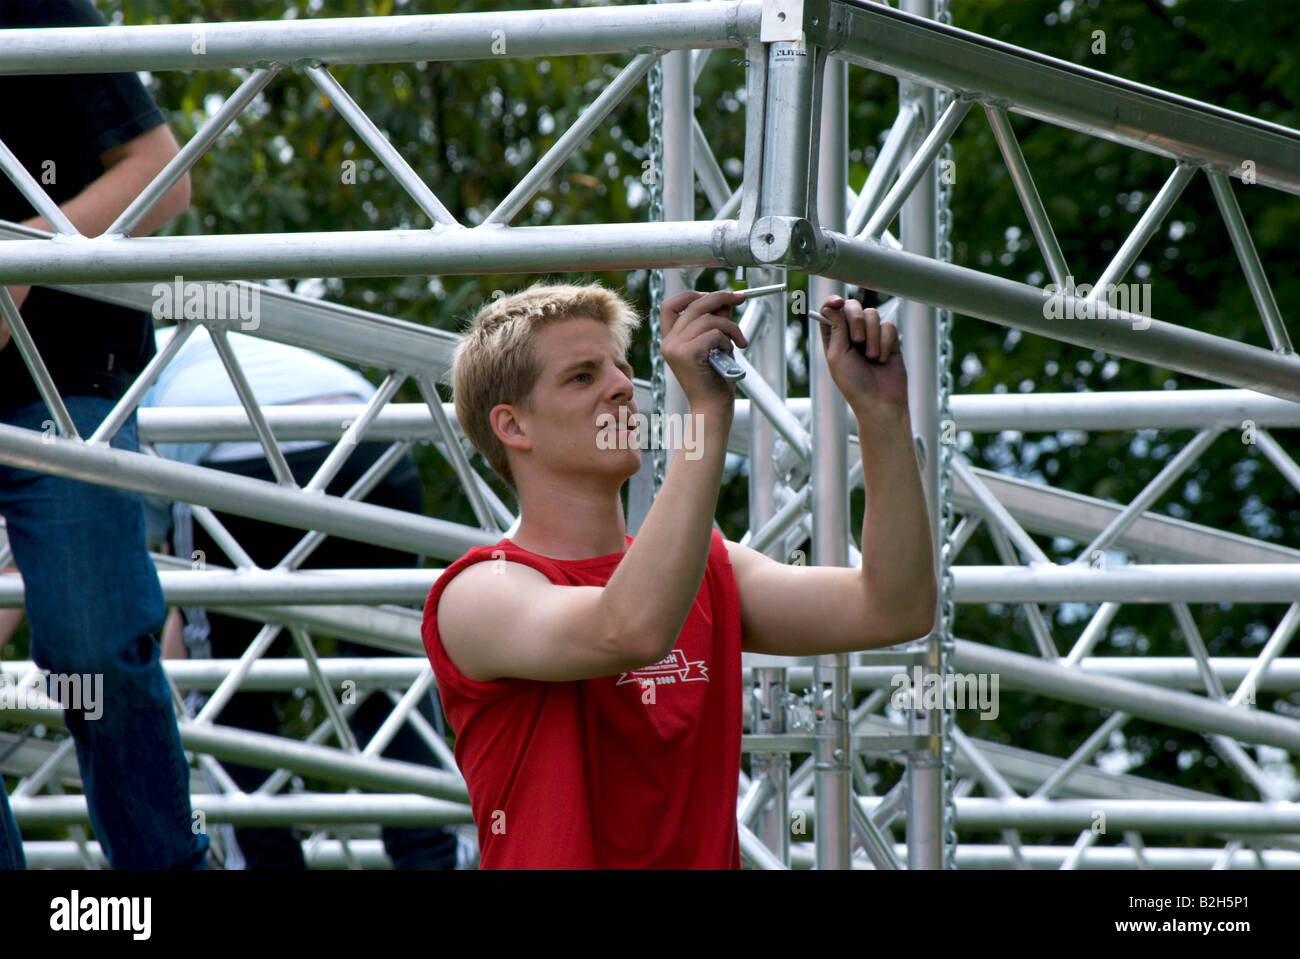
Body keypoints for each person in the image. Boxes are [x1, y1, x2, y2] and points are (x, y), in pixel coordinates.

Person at [421, 281, 938, 868]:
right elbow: (630, 628)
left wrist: (882, 415)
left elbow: (894, 608)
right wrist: (707, 412)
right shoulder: (478, 592)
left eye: (621, 367)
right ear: (513, 427)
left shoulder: (710, 569)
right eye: (582, 377)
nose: (622, 386)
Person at [0, 0, 208, 869]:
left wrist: (24, 260)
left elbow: (164, 173)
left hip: (63, 382)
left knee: (93, 650)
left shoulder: (33, 5)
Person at [141, 325, 460, 870]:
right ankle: (431, 858)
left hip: (235, 464)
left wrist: (176, 697)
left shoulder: (88, 382)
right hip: (371, 446)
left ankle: (268, 861)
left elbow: (179, 597)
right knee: (388, 670)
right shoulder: (205, 339)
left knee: (229, 686)